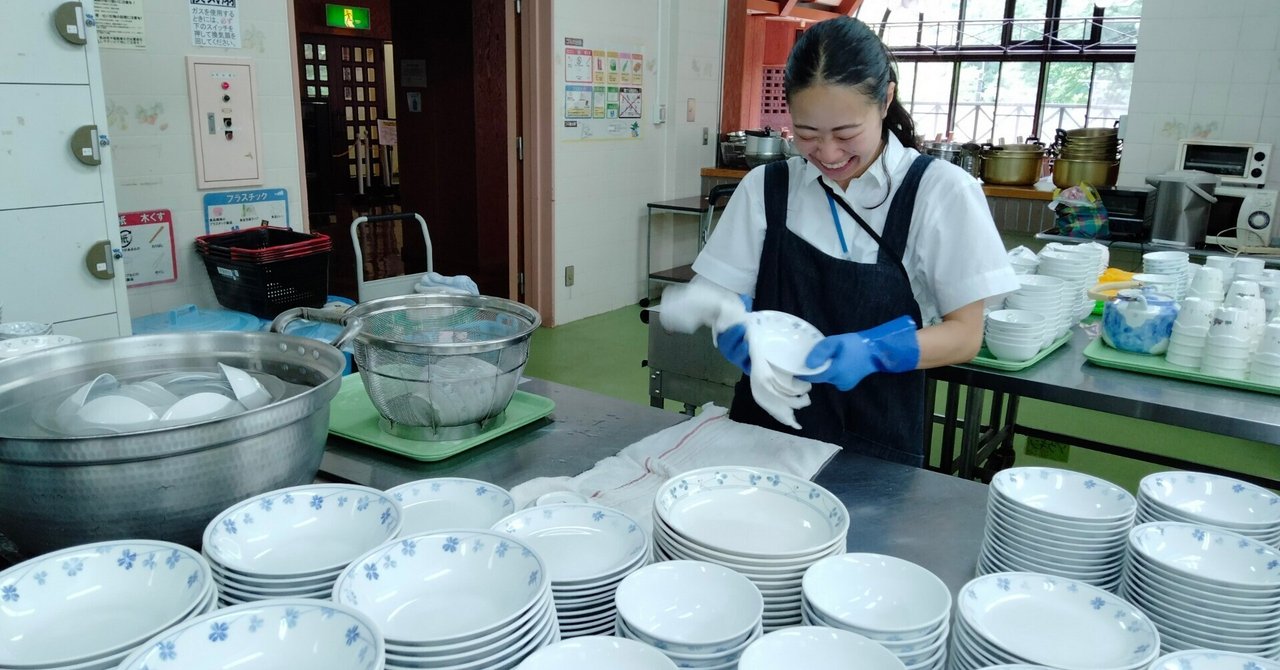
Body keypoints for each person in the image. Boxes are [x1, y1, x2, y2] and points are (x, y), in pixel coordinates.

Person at [689, 16, 1018, 467]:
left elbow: (965, 336)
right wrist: (729, 324)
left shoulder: (940, 191)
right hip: (763, 435)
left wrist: (875, 351)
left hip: (876, 443)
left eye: (846, 134)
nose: (827, 154)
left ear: (886, 100)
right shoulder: (766, 188)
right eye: (806, 134)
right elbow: (718, 293)